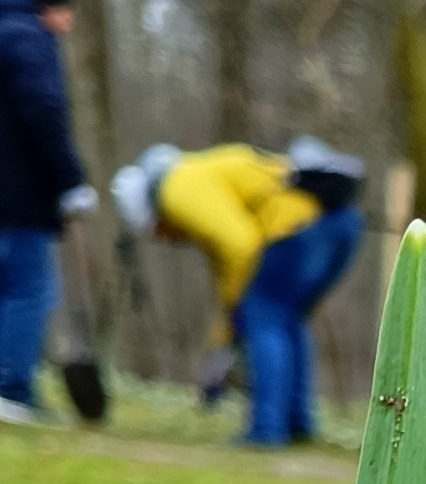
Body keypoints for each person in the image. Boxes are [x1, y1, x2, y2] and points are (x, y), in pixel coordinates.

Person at [114, 137, 365, 446]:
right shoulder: (200, 171)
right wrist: (225, 333)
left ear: (153, 215)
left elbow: (240, 246)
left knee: (265, 317)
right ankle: (297, 422)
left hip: (296, 227)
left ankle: (266, 430)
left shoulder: (176, 189)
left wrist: (239, 309)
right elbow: (229, 271)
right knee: (287, 319)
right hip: (342, 224)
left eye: (159, 234)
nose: (168, 241)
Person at [0, 0, 90, 424]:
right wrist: (70, 180)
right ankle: (11, 390)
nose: (68, 24)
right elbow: (43, 112)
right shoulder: (27, 37)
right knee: (26, 289)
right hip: (18, 196)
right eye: (66, 12)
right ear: (48, 7)